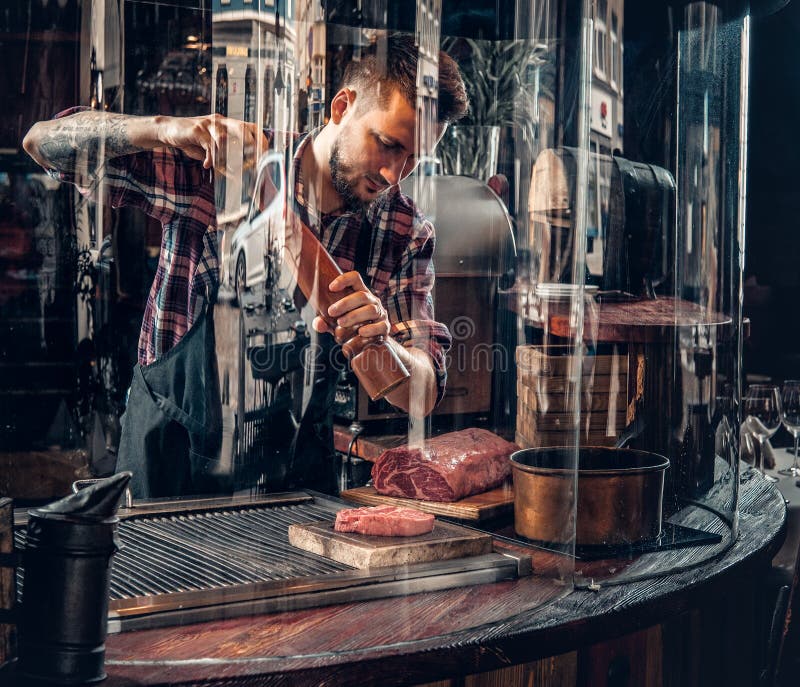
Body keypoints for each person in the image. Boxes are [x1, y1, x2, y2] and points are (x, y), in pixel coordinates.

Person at [22, 32, 468, 498]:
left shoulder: (403, 229)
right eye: (389, 144)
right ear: (341, 107)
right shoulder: (228, 165)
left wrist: (384, 347)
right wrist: (165, 129)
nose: (396, 174)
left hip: (293, 471)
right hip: (171, 452)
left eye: (417, 158)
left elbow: (424, 391)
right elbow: (42, 143)